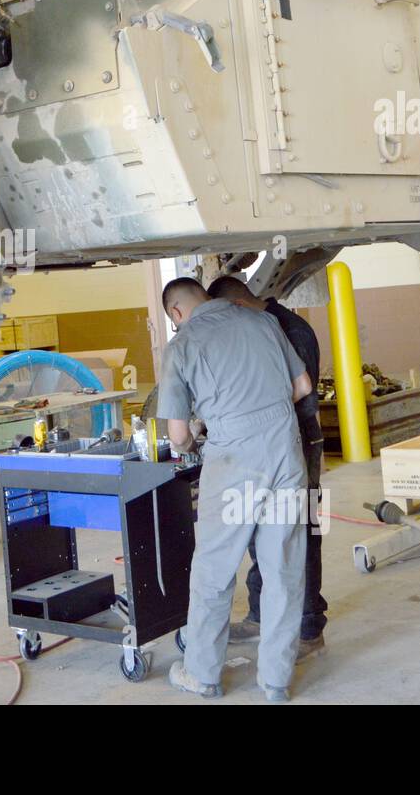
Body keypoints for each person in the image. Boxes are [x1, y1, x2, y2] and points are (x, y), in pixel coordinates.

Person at [155, 277, 312, 702]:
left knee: (215, 571)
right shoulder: (262, 322)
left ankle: (203, 674)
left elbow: (179, 437)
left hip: (233, 465)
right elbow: (303, 387)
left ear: (176, 313)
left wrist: (201, 429)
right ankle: (276, 682)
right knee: (282, 569)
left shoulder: (183, 345)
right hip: (285, 453)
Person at [207, 275, 327, 657]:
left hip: (298, 445)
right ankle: (261, 613)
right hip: (268, 444)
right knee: (264, 531)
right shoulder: (263, 325)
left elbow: (294, 390)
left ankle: (309, 628)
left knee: (301, 534)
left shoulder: (291, 330)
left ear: (236, 306)